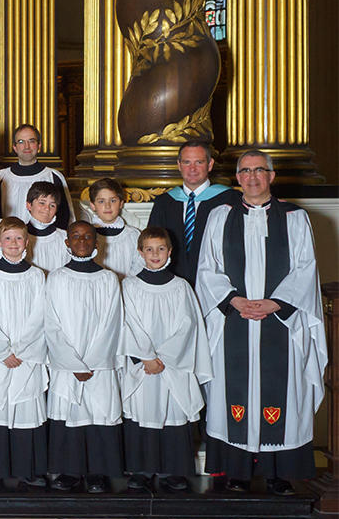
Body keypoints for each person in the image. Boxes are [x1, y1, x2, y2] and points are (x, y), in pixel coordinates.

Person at [197, 150, 326, 496]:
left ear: (271, 176)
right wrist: (234, 300)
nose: (252, 177)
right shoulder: (220, 216)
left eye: (259, 170)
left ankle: (278, 473)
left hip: (281, 322)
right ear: (238, 177)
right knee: (232, 393)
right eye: (245, 171)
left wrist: (275, 303)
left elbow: (306, 268)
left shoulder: (295, 218)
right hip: (233, 320)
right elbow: (207, 268)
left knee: (283, 394)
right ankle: (237, 471)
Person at [121, 227, 212, 493]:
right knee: (143, 412)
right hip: (143, 366)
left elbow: (188, 326)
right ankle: (141, 470)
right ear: (140, 252)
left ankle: (174, 470)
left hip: (173, 365)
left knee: (173, 413)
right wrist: (147, 357)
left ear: (170, 252)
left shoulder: (181, 287)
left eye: (161, 249)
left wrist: (164, 358)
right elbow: (128, 323)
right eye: (149, 249)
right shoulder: (130, 286)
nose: (155, 254)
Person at [0, 218, 50, 488]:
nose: (13, 243)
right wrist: (3, 351)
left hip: (27, 357)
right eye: (8, 238)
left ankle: (29, 469)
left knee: (26, 408)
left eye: (18, 238)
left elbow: (41, 315)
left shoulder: (37, 276)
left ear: (27, 242)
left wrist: (23, 348)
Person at [45, 222, 125, 494]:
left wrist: (92, 361)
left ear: (96, 243)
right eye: (76, 236)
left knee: (97, 413)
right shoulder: (56, 278)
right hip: (67, 363)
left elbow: (113, 322)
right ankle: (69, 471)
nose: (82, 241)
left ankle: (97, 473)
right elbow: (51, 323)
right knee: (69, 413)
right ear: (67, 242)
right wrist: (72, 362)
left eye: (88, 236)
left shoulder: (108, 279)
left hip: (98, 363)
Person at [146, 140, 237, 285]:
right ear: (179, 165)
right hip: (172, 284)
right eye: (187, 162)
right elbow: (151, 244)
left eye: (199, 162)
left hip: (216, 284)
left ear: (210, 164)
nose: (192, 168)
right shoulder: (164, 203)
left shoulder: (230, 200)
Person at [0, 124, 73, 226]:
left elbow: (65, 217)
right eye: (21, 142)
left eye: (31, 141)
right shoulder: (1, 177)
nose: (27, 146)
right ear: (14, 147)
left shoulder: (53, 176)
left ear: (39, 145)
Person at [88, 177, 143, 278]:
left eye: (113, 200)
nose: (107, 206)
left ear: (121, 203)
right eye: (101, 201)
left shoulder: (133, 235)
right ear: (93, 205)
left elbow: (139, 266)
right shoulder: (87, 235)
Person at [25, 181, 69, 272]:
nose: (47, 208)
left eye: (52, 205)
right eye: (42, 203)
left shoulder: (64, 237)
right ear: (29, 205)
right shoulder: (19, 236)